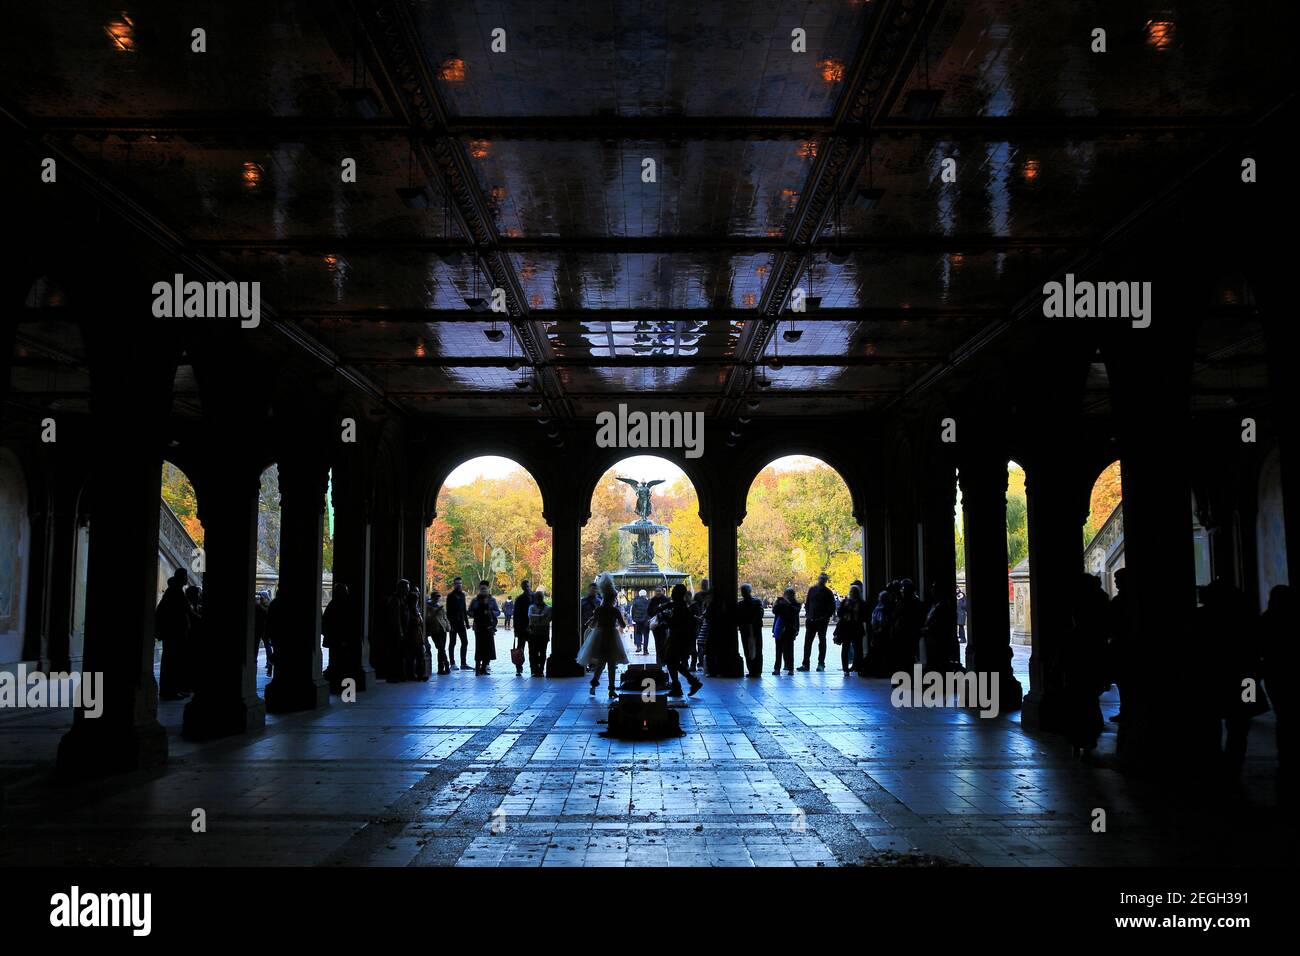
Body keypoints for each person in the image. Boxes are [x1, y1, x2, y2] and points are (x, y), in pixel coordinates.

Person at [1200, 578, 1267, 778]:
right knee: (1241, 722)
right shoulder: (1247, 618)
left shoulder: (1202, 618)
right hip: (1246, 678)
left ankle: (1215, 762)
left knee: (1210, 720)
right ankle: (1233, 764)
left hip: (1214, 679)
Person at [1056, 573, 1111, 758]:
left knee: (1077, 698)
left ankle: (1077, 738)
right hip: (1095, 653)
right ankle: (1088, 737)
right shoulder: (1102, 601)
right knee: (1090, 698)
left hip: (1078, 655)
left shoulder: (1077, 604)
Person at [1260, 585, 1295, 786]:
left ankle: (1285, 758)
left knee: (1283, 717)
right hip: (1287, 674)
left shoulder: (1266, 620)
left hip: (1275, 674)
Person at [576, 573, 629, 698]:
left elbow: (593, 624)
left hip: (599, 636)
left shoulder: (599, 610)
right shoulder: (615, 610)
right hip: (612, 636)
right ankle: (611, 690)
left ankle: (594, 684)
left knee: (601, 662)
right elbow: (623, 625)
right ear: (613, 598)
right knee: (611, 664)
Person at [658, 582, 703, 697]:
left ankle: (682, 685)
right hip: (680, 638)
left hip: (678, 639)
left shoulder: (679, 607)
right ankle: (686, 683)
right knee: (673, 662)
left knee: (671, 661)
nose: (672, 594)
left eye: (674, 592)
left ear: (677, 594)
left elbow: (675, 624)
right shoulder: (680, 605)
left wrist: (664, 617)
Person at [156, 568, 194, 700]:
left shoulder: (173, 591)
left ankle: (173, 689)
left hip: (173, 633)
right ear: (181, 577)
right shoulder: (175, 592)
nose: (187, 579)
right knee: (172, 663)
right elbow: (187, 611)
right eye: (185, 576)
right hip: (174, 634)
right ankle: (169, 691)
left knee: (172, 662)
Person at [1106, 568, 1132, 722]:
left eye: (1117, 579)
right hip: (1124, 645)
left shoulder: (1120, 601)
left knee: (1124, 682)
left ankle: (1126, 710)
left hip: (1122, 646)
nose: (1115, 582)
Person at [800, 573, 835, 672]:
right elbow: (807, 603)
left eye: (823, 579)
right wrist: (808, 614)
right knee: (809, 643)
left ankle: (820, 663)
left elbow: (832, 608)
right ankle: (807, 664)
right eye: (821, 579)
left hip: (821, 621)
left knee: (820, 642)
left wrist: (824, 617)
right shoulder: (814, 590)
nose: (822, 580)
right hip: (812, 620)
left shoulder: (827, 592)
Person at [920, 583, 957, 674]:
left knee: (939, 660)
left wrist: (928, 629)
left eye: (934, 589)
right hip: (934, 637)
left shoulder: (942, 606)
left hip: (938, 638)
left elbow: (940, 623)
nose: (932, 591)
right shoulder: (937, 605)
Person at [321, 584, 351, 687]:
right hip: (338, 639)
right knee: (338, 661)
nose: (347, 593)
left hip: (334, 639)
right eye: (345, 591)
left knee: (334, 660)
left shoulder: (332, 604)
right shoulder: (340, 605)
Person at [468, 581, 500, 675]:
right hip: (478, 627)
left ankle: (484, 667)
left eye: (485, 589)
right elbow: (469, 612)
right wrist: (477, 614)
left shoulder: (492, 600)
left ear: (487, 589)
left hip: (489, 627)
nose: (483, 590)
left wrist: (490, 613)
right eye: (482, 589)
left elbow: (497, 612)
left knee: (488, 647)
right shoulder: (475, 600)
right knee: (479, 647)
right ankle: (478, 668)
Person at [835, 584, 867, 675]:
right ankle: (846, 669)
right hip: (849, 628)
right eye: (851, 591)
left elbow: (864, 616)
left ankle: (858, 667)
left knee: (857, 649)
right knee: (848, 648)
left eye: (854, 592)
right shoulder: (855, 603)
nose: (852, 593)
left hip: (853, 628)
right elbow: (840, 613)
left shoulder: (858, 603)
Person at [383, 579, 411, 681]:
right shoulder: (395, 600)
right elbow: (395, 618)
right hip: (396, 632)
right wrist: (400, 632)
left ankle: (399, 674)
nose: (407, 591)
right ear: (400, 588)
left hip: (401, 631)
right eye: (406, 588)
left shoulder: (402, 599)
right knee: (395, 654)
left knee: (400, 654)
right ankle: (393, 675)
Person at [736, 583, 765, 677]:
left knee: (747, 650)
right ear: (750, 591)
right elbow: (760, 614)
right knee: (758, 649)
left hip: (745, 630)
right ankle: (757, 671)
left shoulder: (740, 604)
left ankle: (752, 670)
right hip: (755, 629)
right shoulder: (757, 602)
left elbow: (738, 617)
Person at [771, 587, 800, 676]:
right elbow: (774, 611)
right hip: (779, 629)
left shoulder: (795, 604)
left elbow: (795, 612)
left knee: (789, 650)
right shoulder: (781, 603)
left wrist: (788, 603)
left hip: (789, 629)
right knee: (778, 650)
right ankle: (777, 669)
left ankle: (790, 668)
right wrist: (777, 603)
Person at [526, 588, 553, 677]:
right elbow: (545, 620)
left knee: (533, 653)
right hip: (543, 633)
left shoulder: (531, 607)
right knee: (542, 652)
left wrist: (535, 618)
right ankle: (540, 670)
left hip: (533, 633)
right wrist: (542, 616)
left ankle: (534, 670)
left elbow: (531, 617)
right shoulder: (548, 609)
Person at [446, 576, 470, 670]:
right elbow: (448, 611)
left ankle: (463, 663)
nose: (459, 585)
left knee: (465, 642)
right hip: (453, 623)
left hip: (461, 623)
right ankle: (452, 663)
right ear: (454, 585)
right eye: (457, 583)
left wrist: (467, 623)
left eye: (460, 583)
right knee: (452, 643)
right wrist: (449, 624)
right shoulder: (450, 596)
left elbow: (464, 609)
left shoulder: (462, 595)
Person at [404, 590, 429, 681]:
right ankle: (414, 674)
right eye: (416, 599)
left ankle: (419, 674)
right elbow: (415, 621)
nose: (417, 601)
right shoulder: (409, 610)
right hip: (412, 635)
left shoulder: (415, 609)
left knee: (419, 655)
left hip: (417, 634)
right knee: (413, 656)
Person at [427, 590, 451, 675]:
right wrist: (436, 611)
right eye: (436, 597)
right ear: (432, 597)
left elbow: (445, 617)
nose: (437, 598)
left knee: (441, 649)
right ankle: (446, 665)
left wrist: (448, 626)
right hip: (435, 630)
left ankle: (441, 668)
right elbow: (428, 619)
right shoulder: (428, 606)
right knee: (440, 648)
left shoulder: (439, 606)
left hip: (443, 630)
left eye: (438, 597)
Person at [512, 579, 533, 676]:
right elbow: (516, 615)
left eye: (527, 586)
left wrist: (516, 629)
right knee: (529, 648)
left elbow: (516, 615)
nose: (527, 588)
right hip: (527, 627)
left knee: (521, 648)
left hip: (523, 627)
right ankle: (532, 668)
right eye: (526, 586)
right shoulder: (533, 597)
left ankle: (519, 667)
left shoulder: (519, 599)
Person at [647, 584, 671, 663]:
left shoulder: (666, 600)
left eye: (659, 591)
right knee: (657, 642)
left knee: (663, 642)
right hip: (656, 625)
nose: (657, 593)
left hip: (664, 624)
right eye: (656, 591)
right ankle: (659, 659)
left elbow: (669, 611)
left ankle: (663, 659)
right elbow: (649, 612)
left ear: (662, 591)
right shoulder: (652, 600)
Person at [253, 589, 273, 676]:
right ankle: (255, 661)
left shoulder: (267, 606)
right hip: (258, 630)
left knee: (267, 647)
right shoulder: (260, 606)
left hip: (265, 630)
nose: (260, 599)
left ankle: (269, 663)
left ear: (266, 598)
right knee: (256, 647)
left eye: (261, 598)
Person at [631, 589, 651, 654]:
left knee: (638, 633)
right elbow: (650, 612)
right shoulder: (648, 602)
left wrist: (634, 619)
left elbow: (633, 611)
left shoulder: (636, 601)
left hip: (638, 621)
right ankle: (645, 650)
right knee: (646, 635)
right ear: (645, 594)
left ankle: (638, 647)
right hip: (646, 621)